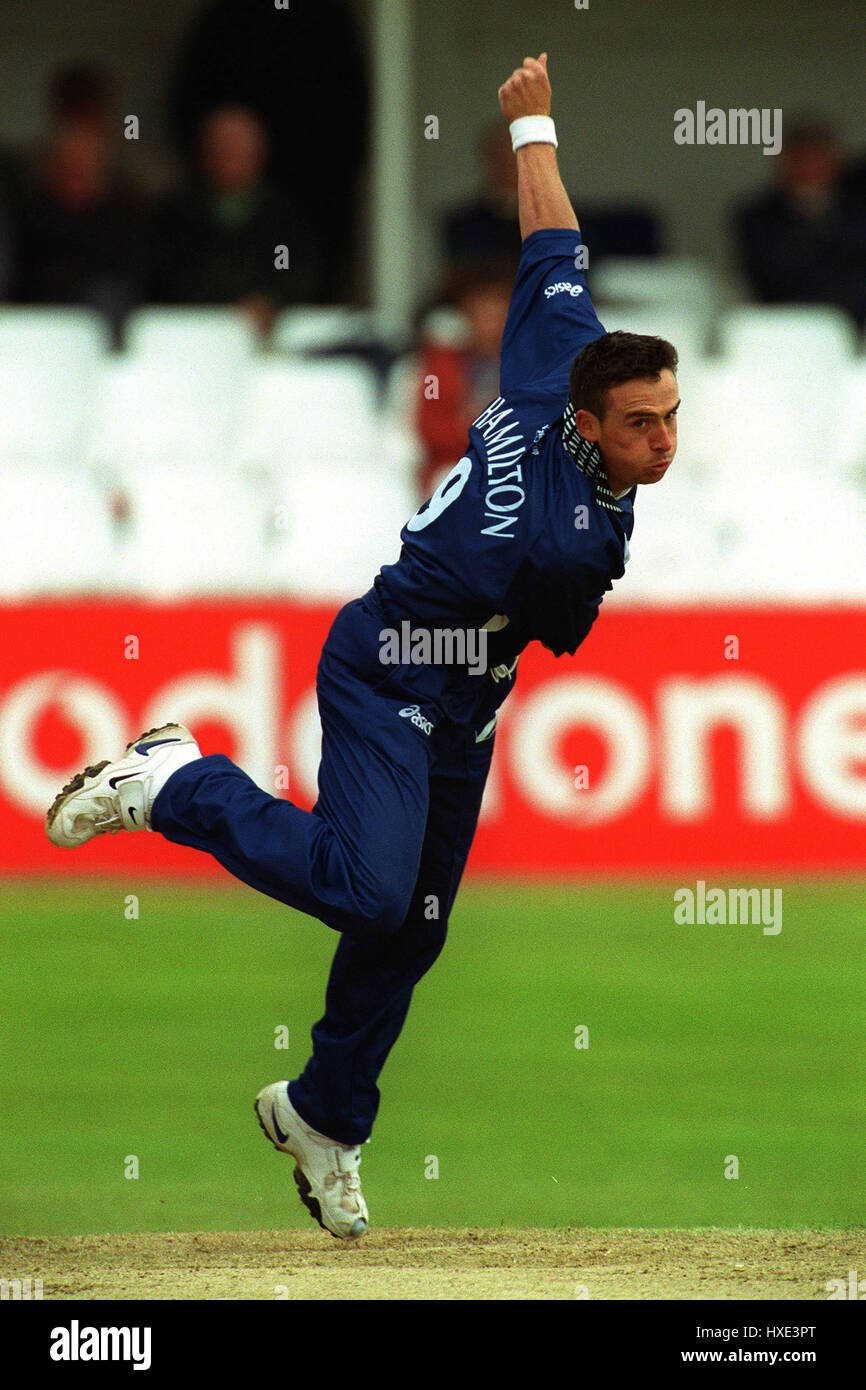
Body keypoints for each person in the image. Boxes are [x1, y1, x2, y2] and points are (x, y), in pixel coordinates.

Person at [45, 54, 680, 1241]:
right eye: (642, 424)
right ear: (589, 422)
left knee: (415, 927)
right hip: (394, 663)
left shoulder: (552, 358)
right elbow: (550, 634)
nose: (662, 441)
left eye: (671, 417)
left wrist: (532, 121)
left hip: (460, 694)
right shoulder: (571, 551)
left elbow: (551, 243)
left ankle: (323, 1114)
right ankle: (175, 780)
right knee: (369, 887)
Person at [734, 115, 866, 328]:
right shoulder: (755, 215)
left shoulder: (858, 210)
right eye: (799, 159)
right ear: (783, 163)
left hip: (857, 326)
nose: (809, 169)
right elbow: (773, 280)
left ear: (835, 161)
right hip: (786, 326)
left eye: (817, 158)